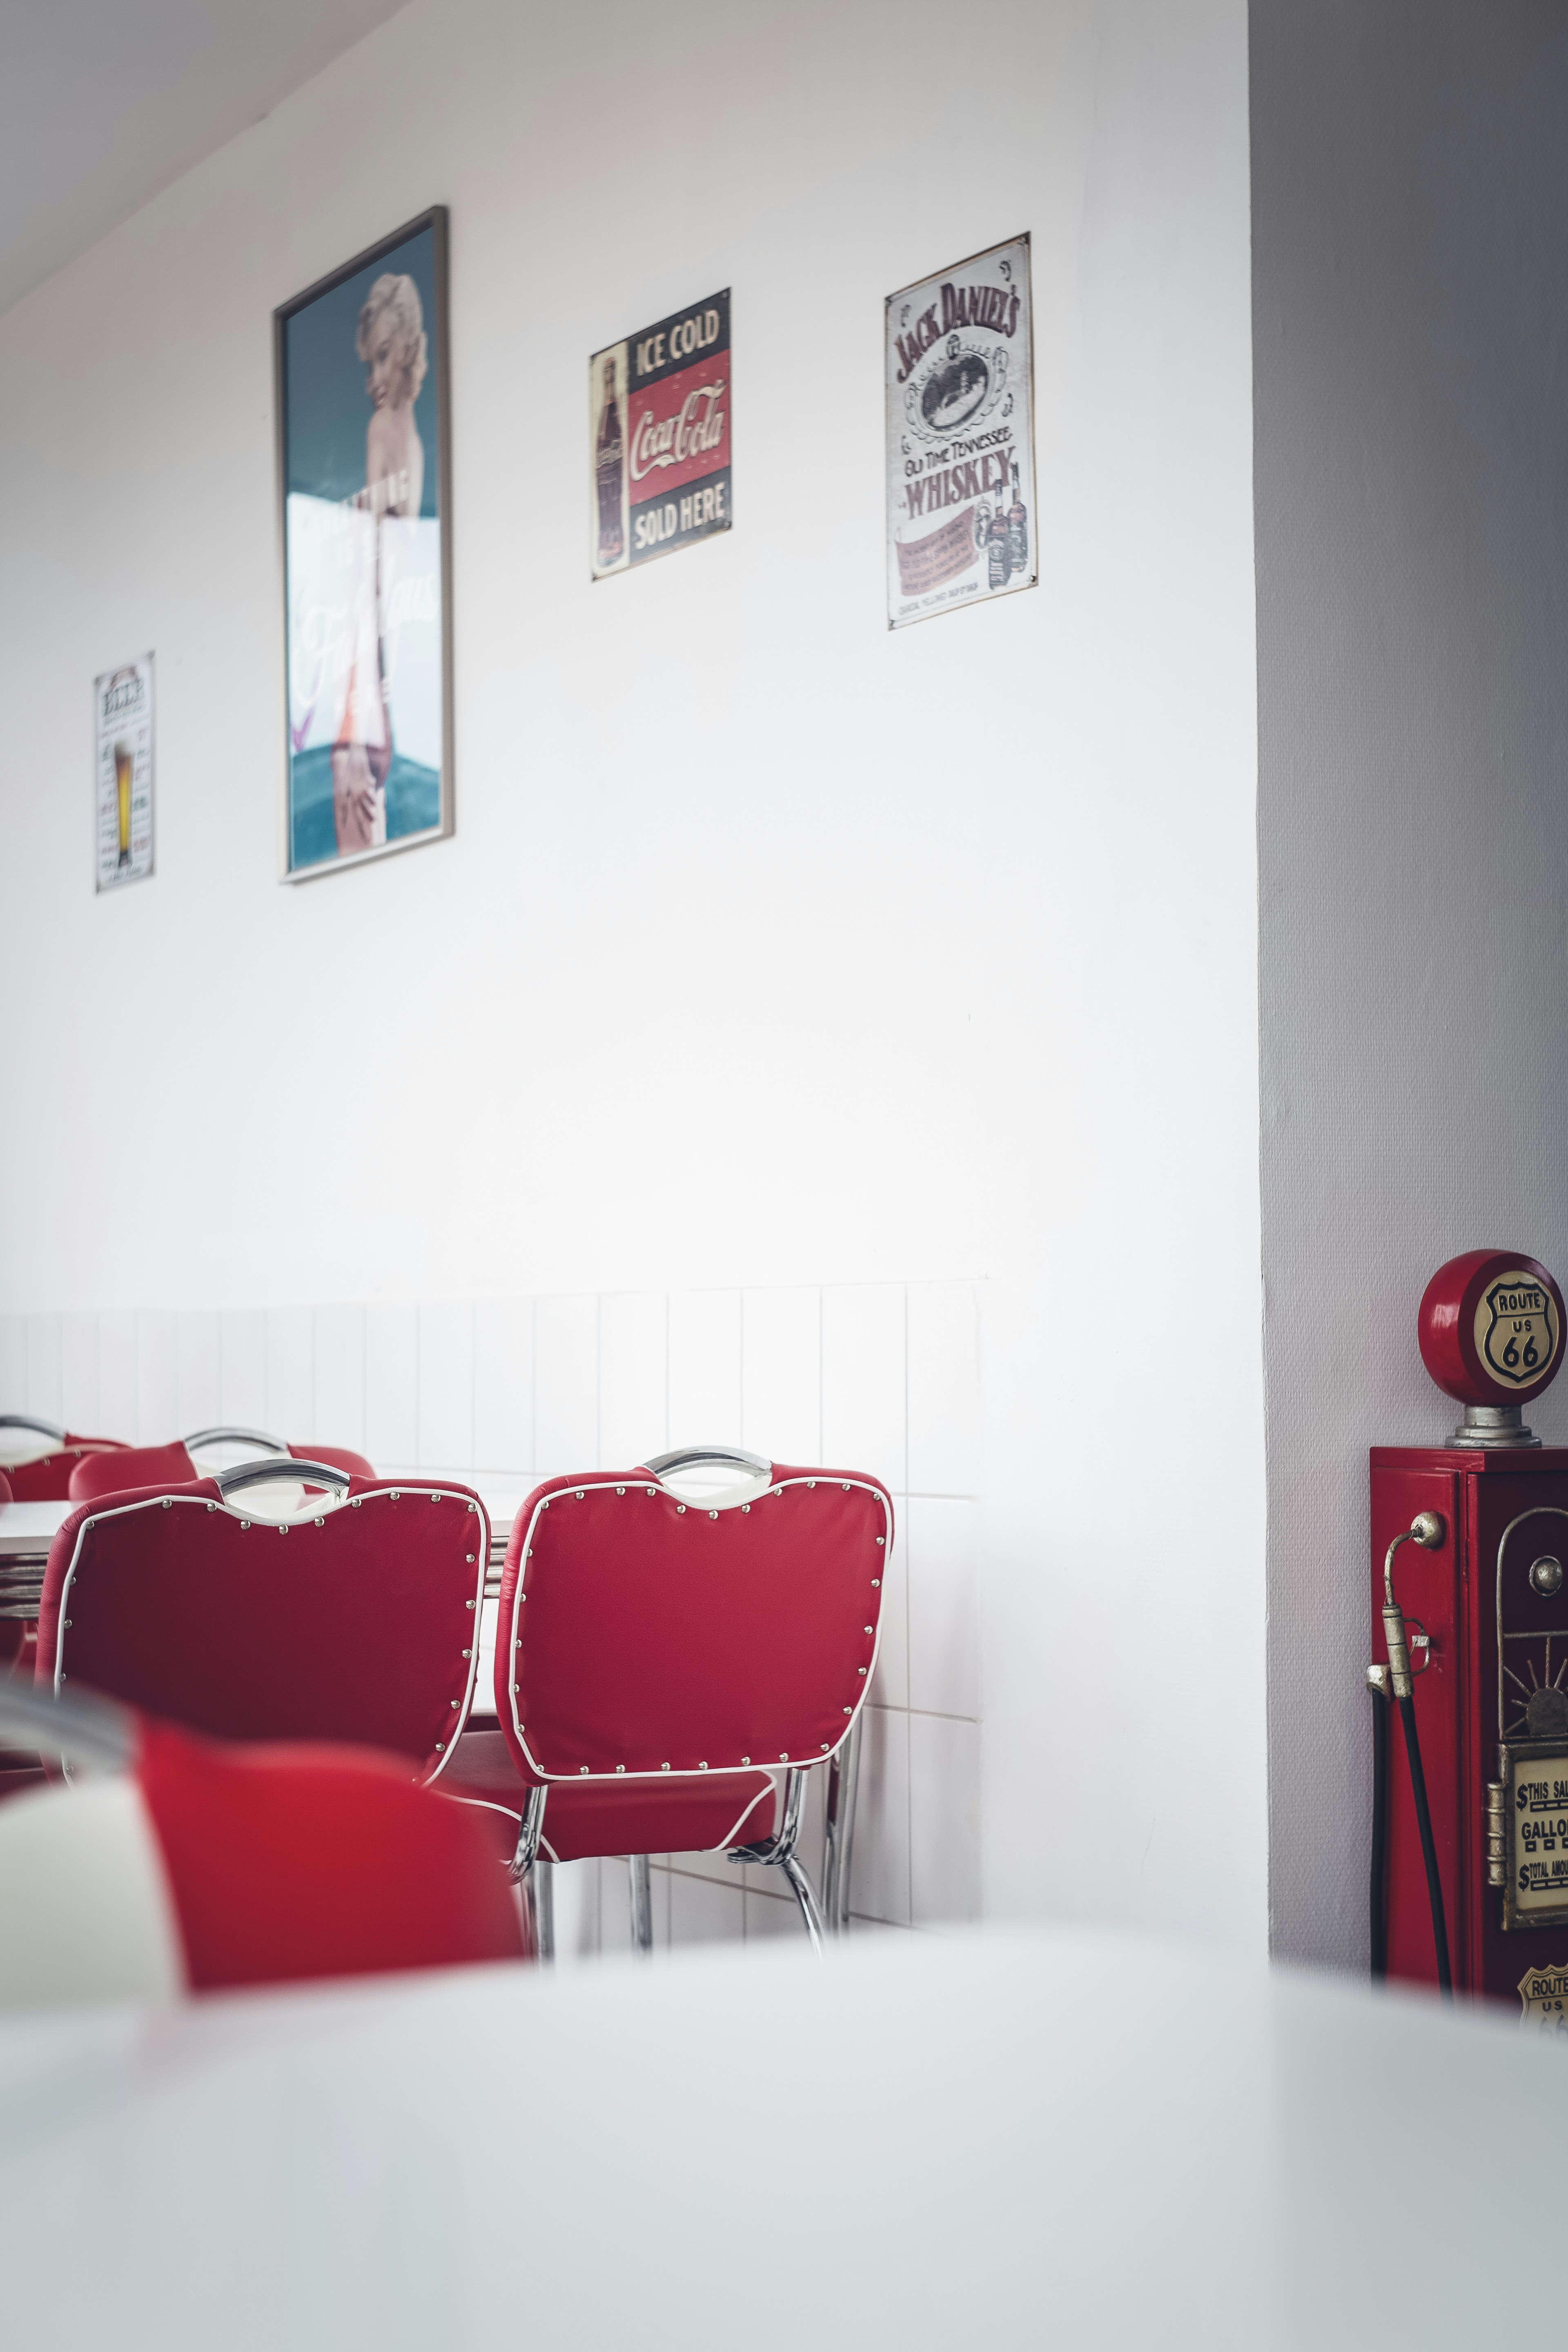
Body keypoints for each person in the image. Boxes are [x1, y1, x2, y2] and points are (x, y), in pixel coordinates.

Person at [331, 273, 428, 855]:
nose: (374, 380)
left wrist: (362, 713)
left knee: (356, 838)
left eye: (384, 358)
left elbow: (372, 588)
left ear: (411, 348)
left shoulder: (384, 431)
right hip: (385, 682)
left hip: (365, 680)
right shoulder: (412, 443)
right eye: (369, 364)